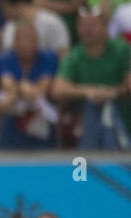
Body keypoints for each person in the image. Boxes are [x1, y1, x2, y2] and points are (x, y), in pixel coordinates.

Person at [52, 5, 131, 150]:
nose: (87, 30)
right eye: (82, 25)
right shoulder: (74, 56)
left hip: (122, 115)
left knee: (109, 106)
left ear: (105, 26)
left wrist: (112, 93)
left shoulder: (122, 49)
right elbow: (58, 89)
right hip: (88, 122)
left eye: (92, 25)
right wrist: (89, 91)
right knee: (92, 106)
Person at [0, 20, 59, 148]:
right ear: (14, 43)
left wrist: (18, 91)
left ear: (37, 41)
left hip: (41, 118)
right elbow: (7, 86)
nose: (25, 44)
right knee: (3, 105)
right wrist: (22, 89)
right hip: (14, 118)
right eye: (21, 40)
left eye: (29, 39)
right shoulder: (6, 58)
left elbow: (42, 89)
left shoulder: (49, 57)